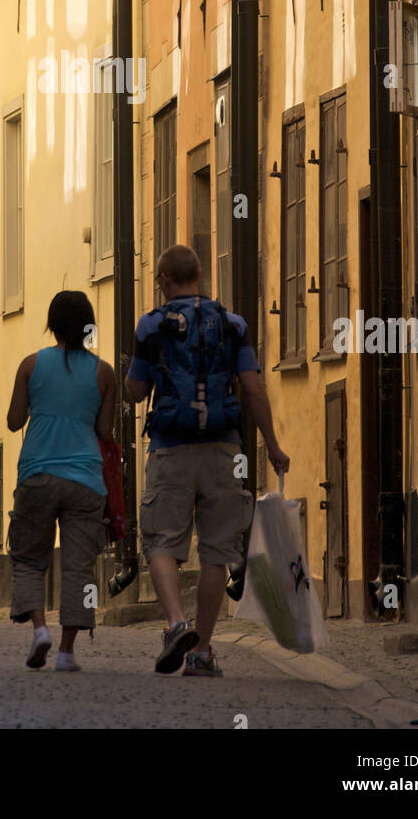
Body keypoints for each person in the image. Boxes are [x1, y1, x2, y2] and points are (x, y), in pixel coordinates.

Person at [126, 244, 290, 678]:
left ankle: (177, 622)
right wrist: (272, 446)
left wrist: (136, 373)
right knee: (217, 551)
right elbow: (253, 389)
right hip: (225, 449)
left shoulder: (151, 326)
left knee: (162, 542)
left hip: (169, 448)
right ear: (199, 275)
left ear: (163, 279)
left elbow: (137, 392)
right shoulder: (233, 324)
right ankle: (202, 651)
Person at [6, 290, 116, 671]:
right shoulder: (104, 373)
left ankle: (40, 630)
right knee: (79, 568)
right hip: (86, 480)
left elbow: (14, 420)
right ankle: (67, 653)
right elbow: (104, 430)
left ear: (52, 324)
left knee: (28, 558)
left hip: (37, 474)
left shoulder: (30, 365)